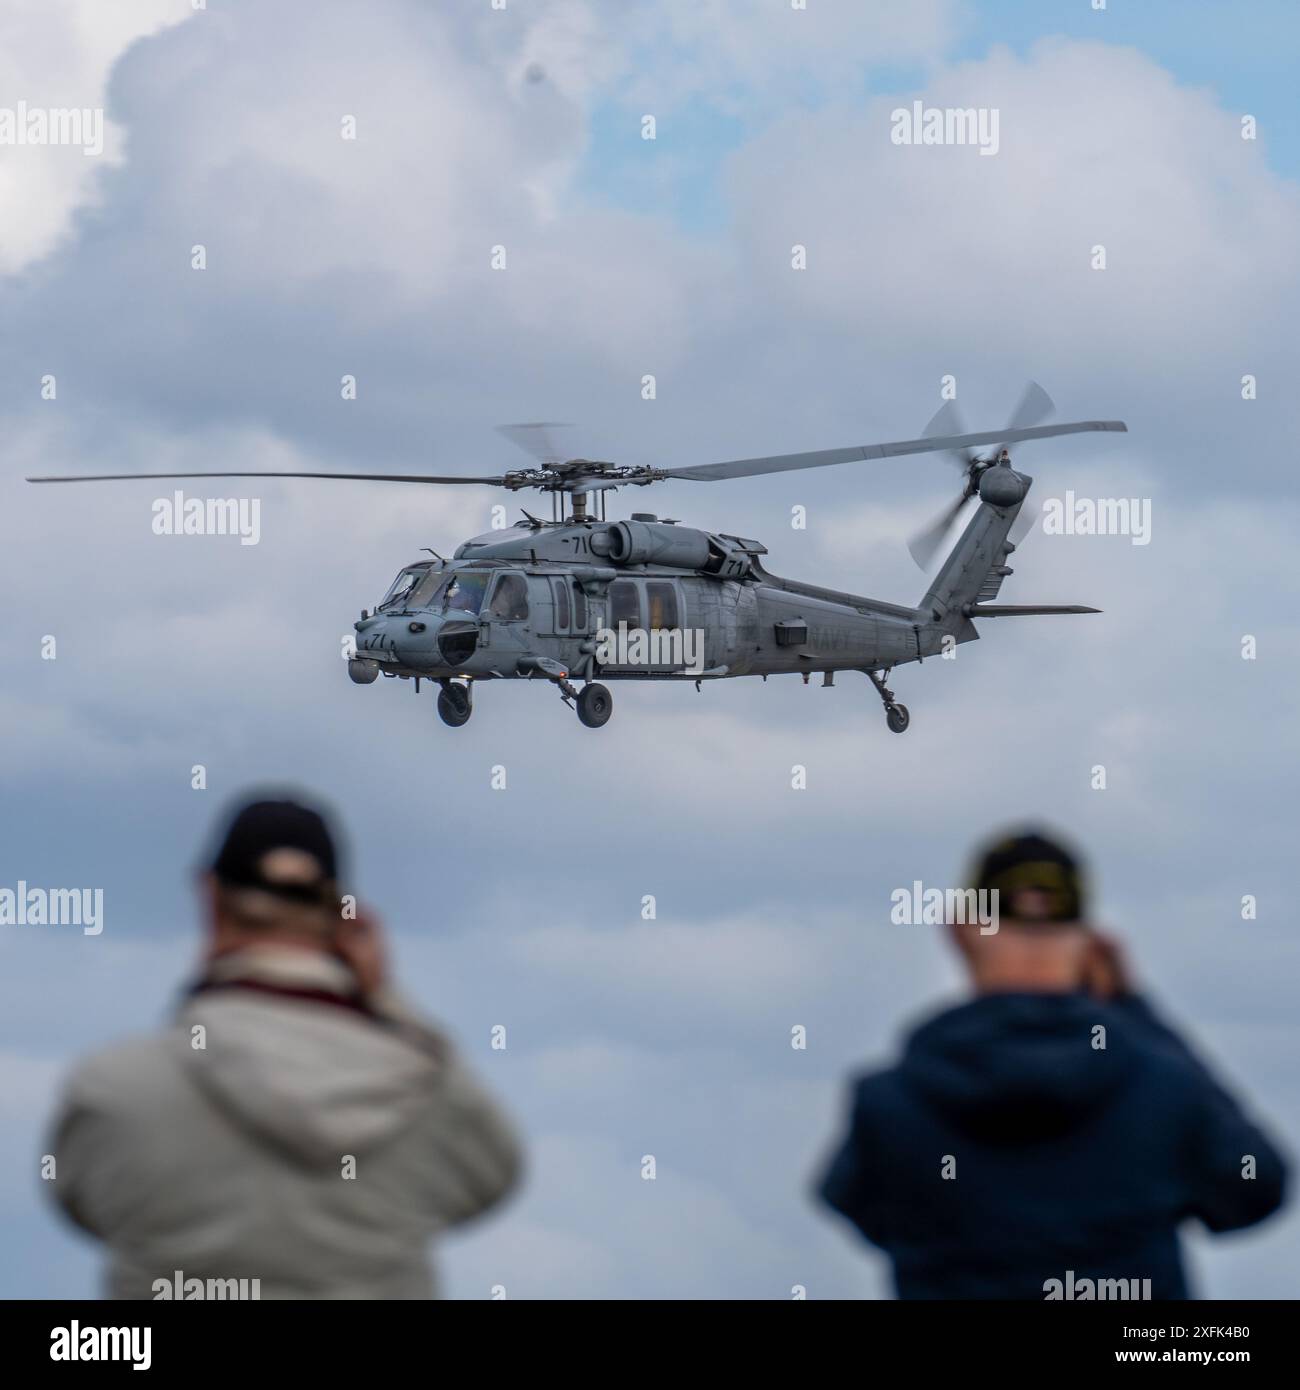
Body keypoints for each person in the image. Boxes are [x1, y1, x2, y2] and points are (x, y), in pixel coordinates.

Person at [46, 793, 522, 1299]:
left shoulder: (114, 1087)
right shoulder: (425, 1090)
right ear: (342, 917)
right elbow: (494, 1172)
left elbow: (81, 1201)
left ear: (210, 897)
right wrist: (386, 1002)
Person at [815, 829, 1288, 1299]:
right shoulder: (1163, 1088)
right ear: (1089, 942)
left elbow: (862, 1208)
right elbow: (1255, 1189)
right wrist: (1133, 1007)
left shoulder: (890, 1102)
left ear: (960, 933)